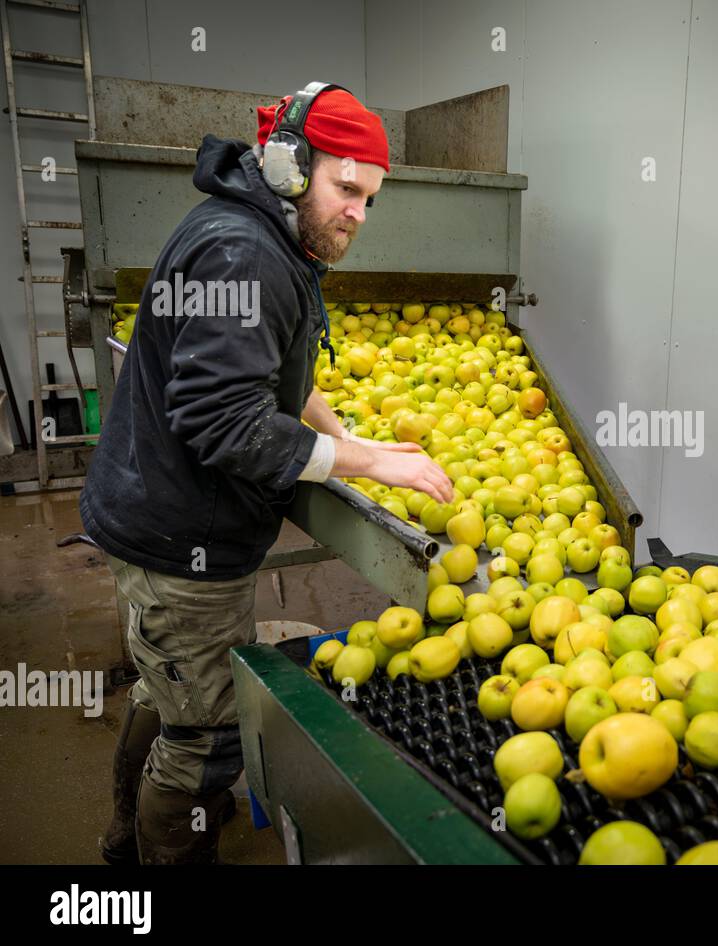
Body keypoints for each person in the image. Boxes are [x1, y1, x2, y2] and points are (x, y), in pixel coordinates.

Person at [79, 83, 453, 864]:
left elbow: (257, 360)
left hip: (154, 514)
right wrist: (371, 460)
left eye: (370, 198)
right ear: (290, 166)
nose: (357, 211)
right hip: (181, 539)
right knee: (205, 739)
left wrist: (332, 425)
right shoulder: (243, 250)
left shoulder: (254, 232)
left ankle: (123, 844)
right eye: (346, 187)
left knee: (165, 692)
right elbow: (225, 422)